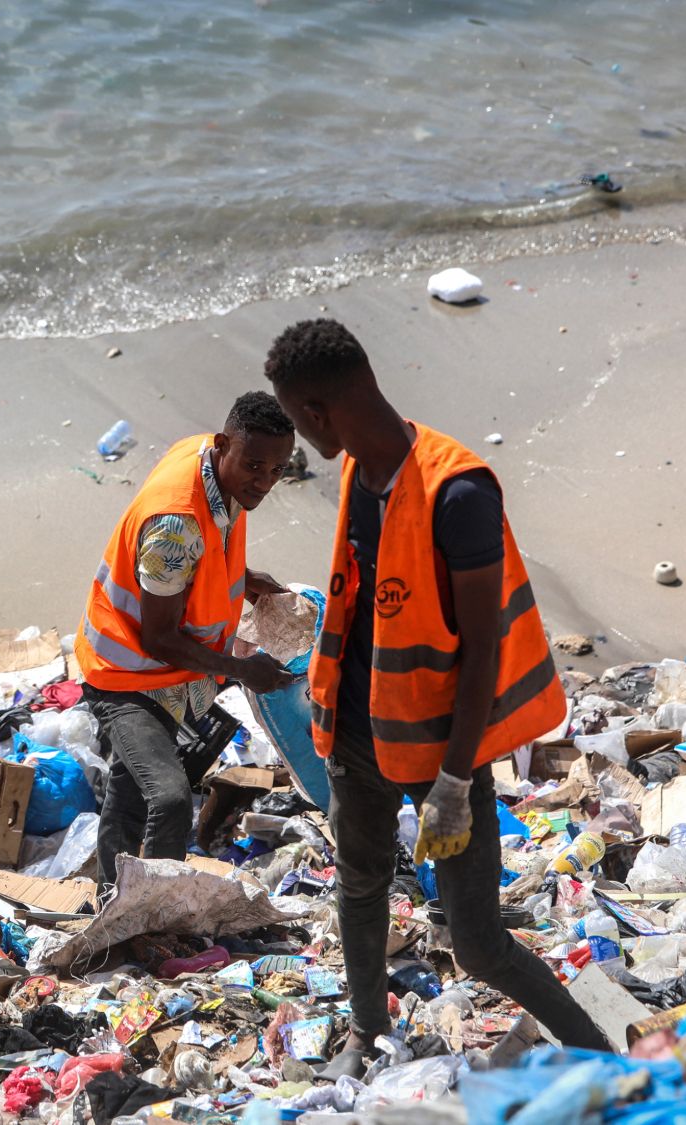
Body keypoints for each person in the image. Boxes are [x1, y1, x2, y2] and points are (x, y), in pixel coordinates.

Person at [262, 318, 607, 1077]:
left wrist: (455, 779)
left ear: (317, 411)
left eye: (294, 418)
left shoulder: (459, 492)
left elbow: (482, 645)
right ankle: (362, 1033)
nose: (296, 437)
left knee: (477, 938)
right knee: (358, 887)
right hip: (355, 730)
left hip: (437, 747)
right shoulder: (358, 470)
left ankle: (593, 1046)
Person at [75, 392, 302, 886]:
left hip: (162, 667)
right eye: (254, 466)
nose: (263, 482)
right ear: (224, 445)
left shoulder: (210, 463)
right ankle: (158, 914)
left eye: (278, 469)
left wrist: (245, 577)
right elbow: (158, 637)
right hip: (126, 672)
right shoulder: (173, 526)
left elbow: (200, 557)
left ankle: (111, 894)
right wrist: (245, 671)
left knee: (130, 785)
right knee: (170, 796)